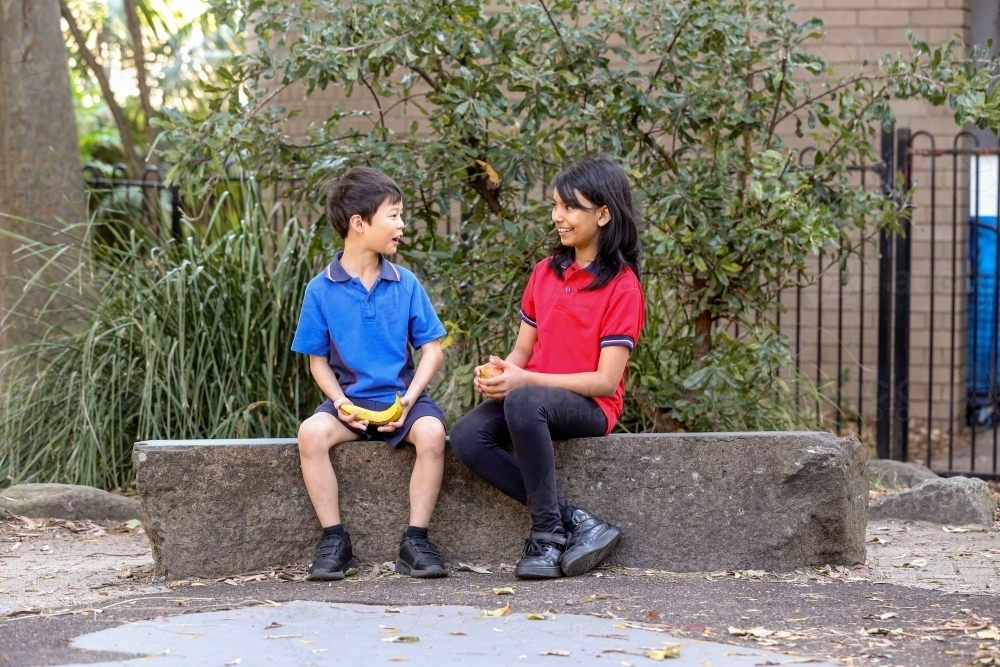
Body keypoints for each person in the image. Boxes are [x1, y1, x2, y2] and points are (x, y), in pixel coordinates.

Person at [450, 157, 646, 579]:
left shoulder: (623, 286)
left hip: (590, 407)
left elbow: (605, 380)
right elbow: (524, 348)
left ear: (604, 214)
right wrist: (504, 370)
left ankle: (547, 535)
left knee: (523, 399)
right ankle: (576, 520)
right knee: (466, 436)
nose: (558, 216)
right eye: (556, 205)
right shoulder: (545, 272)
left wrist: (523, 381)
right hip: (531, 399)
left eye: (570, 207)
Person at [292, 167, 449, 580]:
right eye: (394, 215)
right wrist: (341, 404)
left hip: (402, 398)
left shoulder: (406, 282)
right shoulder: (320, 289)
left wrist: (410, 401)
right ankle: (334, 541)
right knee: (310, 433)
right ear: (359, 224)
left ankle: (416, 541)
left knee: (432, 435)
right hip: (348, 401)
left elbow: (432, 351)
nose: (402, 225)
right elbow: (317, 361)